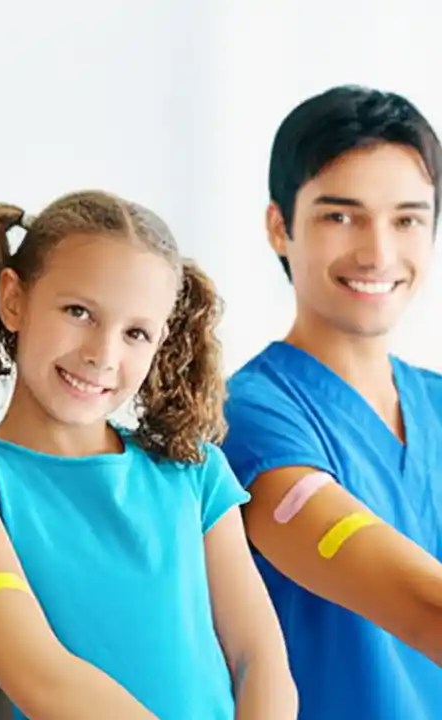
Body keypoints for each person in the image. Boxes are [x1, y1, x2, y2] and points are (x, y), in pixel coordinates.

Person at [0, 192, 296, 719]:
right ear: (13, 300)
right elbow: (37, 673)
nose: (102, 354)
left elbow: (259, 661)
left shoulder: (195, 472)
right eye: (79, 312)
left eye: (135, 332)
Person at [220, 85, 442, 718]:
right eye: (340, 215)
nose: (378, 252)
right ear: (278, 226)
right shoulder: (252, 418)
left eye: (407, 219)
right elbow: (421, 604)